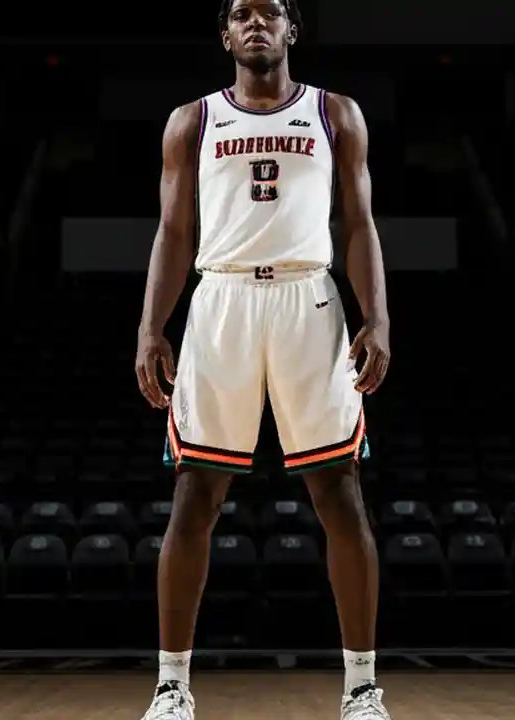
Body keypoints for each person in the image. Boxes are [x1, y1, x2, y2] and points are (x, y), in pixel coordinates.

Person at [133, 0, 391, 717]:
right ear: (223, 35)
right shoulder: (194, 120)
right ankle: (172, 686)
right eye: (241, 15)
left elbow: (360, 221)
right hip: (222, 300)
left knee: (338, 492)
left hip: (310, 296)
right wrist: (152, 328)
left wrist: (379, 317)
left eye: (269, 13)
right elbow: (172, 229)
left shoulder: (336, 113)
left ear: (290, 30)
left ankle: (362, 687)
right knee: (196, 493)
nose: (255, 24)